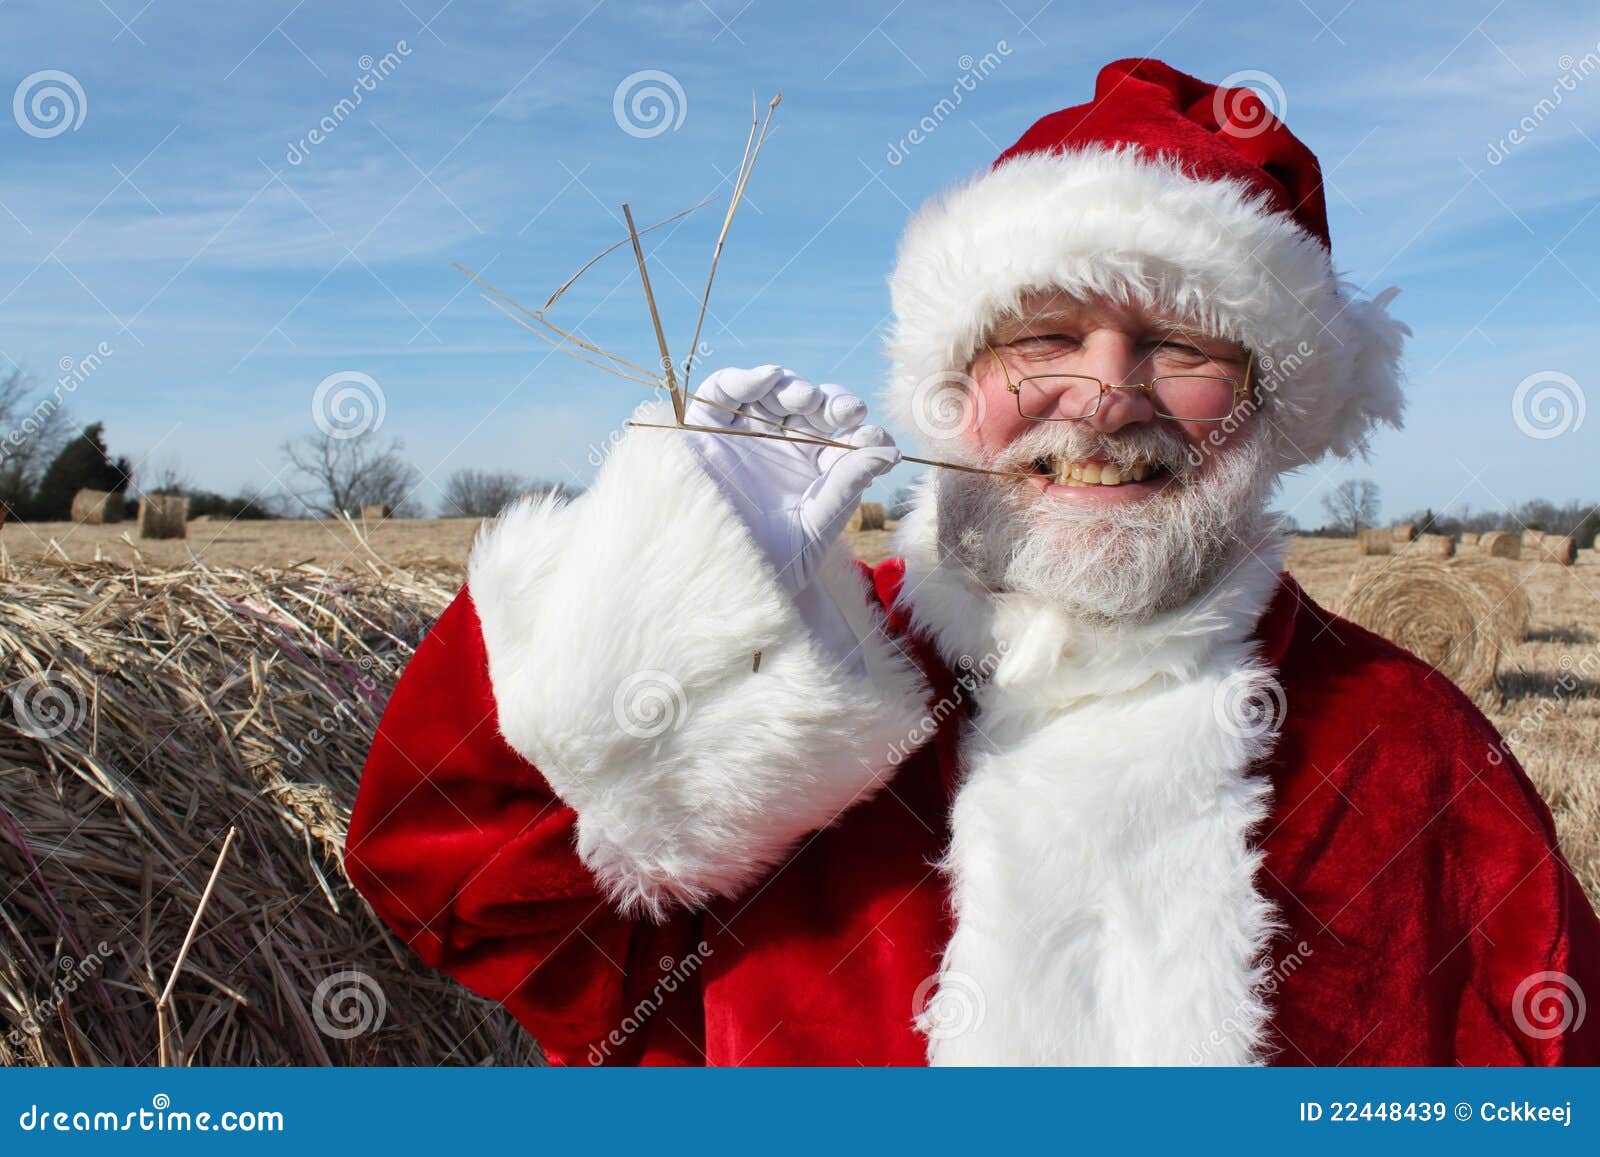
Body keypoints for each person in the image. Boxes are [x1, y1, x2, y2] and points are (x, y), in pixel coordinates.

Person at [345, 57, 1600, 1065]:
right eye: (1044, 335)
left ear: (1266, 409)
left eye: (1182, 346)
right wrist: (658, 595)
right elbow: (451, 884)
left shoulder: (1404, 747)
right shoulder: (810, 666)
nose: (1106, 398)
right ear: (958, 386)